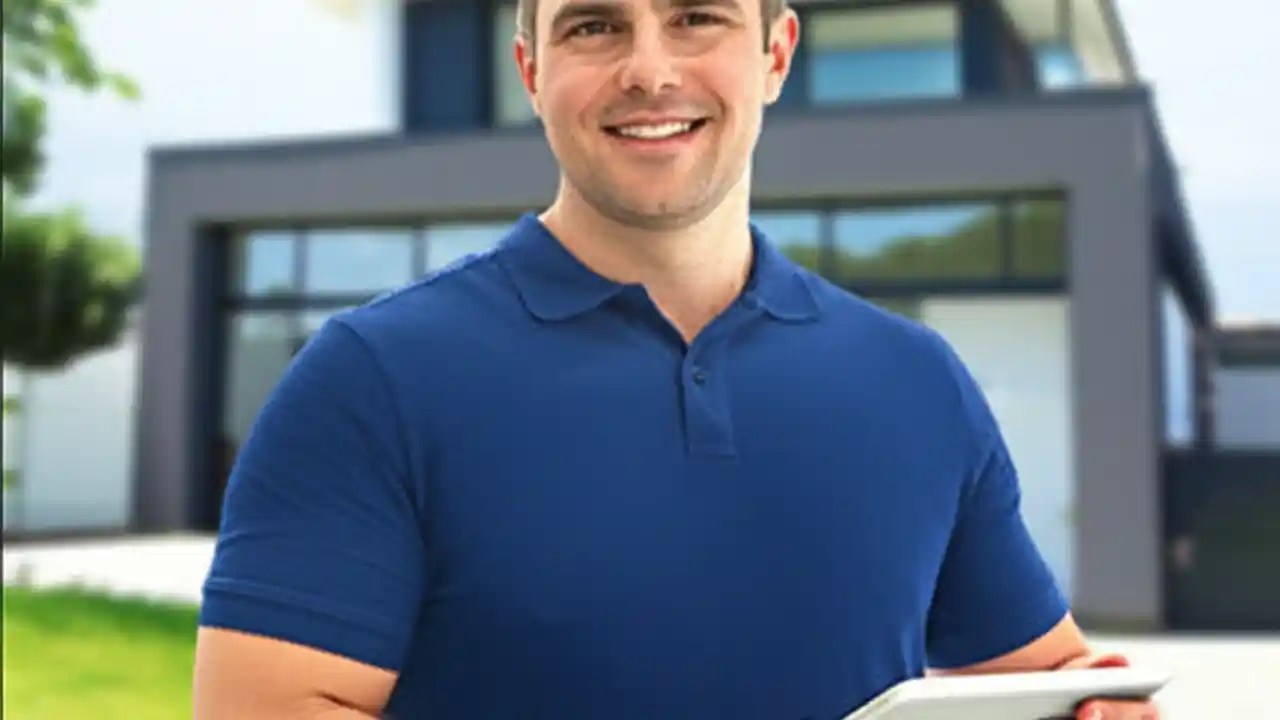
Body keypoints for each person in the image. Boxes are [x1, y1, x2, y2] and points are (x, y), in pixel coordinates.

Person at [192, 1, 1161, 718]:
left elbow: (1037, 678)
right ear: (530, 70)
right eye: (593, 27)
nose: (648, 72)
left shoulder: (913, 381)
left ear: (774, 54)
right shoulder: (372, 378)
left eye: (694, 18)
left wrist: (1093, 706)